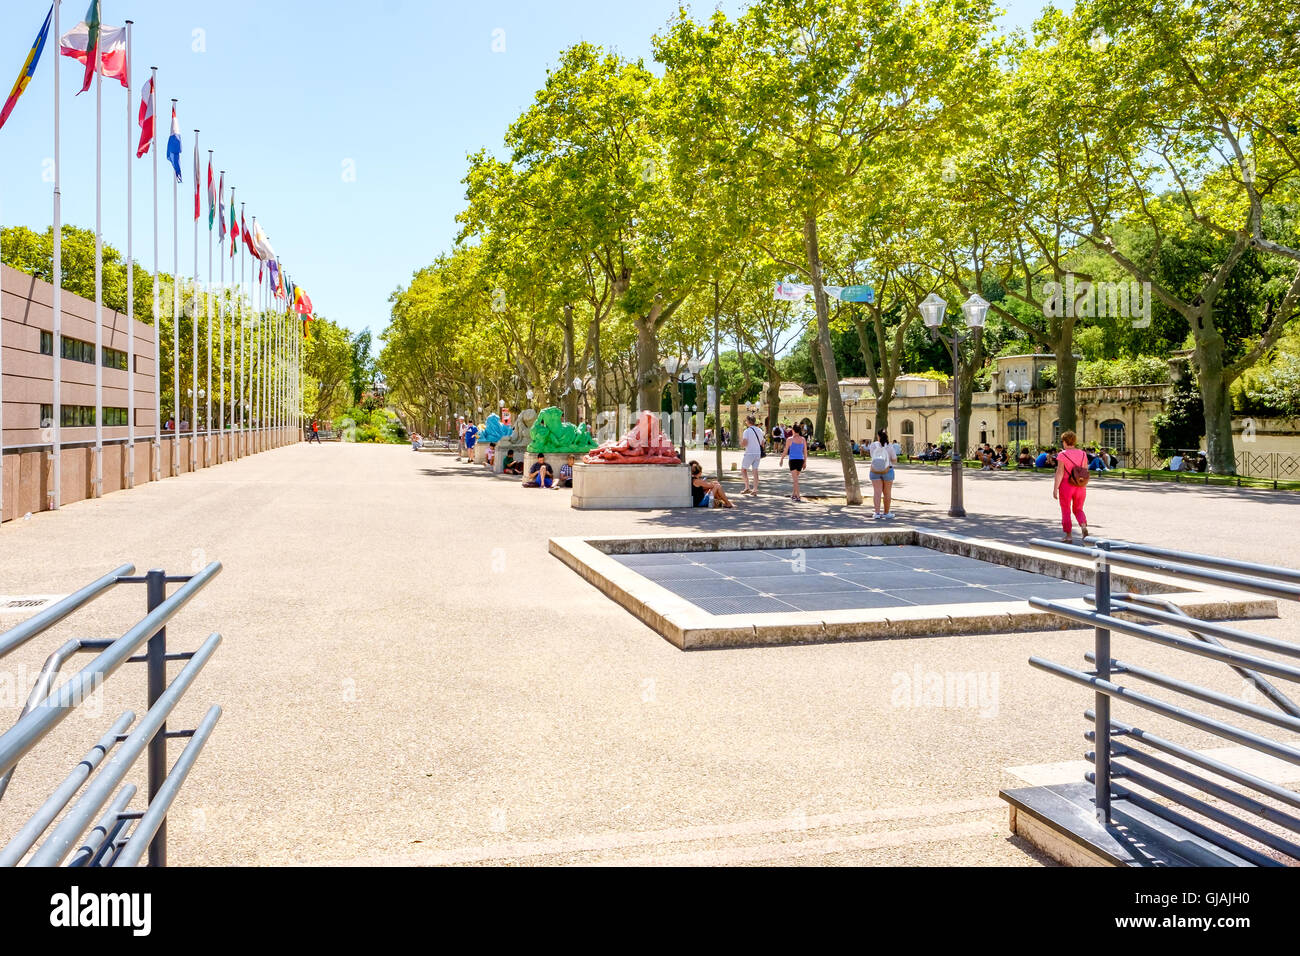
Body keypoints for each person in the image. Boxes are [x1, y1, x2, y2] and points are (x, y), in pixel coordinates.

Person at [1054, 430, 1090, 543]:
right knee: (1078, 509)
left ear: (1064, 442)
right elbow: (1085, 470)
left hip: (1066, 485)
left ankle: (1068, 535)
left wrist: (1055, 488)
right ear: (1074, 441)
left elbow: (1060, 472)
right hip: (1080, 485)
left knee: (1066, 510)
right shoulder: (1083, 454)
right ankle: (1083, 526)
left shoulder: (1062, 454)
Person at [866, 428, 898, 519]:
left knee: (877, 492)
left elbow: (872, 456)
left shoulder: (873, 445)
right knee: (887, 492)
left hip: (874, 470)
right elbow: (894, 459)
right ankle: (886, 513)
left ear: (878, 436)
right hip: (888, 470)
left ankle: (876, 513)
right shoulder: (889, 446)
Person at [778, 424, 808, 501]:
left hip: (793, 460)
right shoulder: (803, 439)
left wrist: (781, 459)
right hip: (800, 460)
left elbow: (785, 451)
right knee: (796, 479)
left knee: (795, 480)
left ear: (793, 430)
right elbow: (805, 451)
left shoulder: (789, 439)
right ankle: (793, 494)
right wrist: (805, 462)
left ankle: (798, 496)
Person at [740, 415, 765, 496]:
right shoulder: (760, 430)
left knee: (743, 470)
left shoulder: (746, 431)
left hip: (749, 453)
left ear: (748, 421)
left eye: (746, 421)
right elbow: (762, 443)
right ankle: (755, 489)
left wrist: (741, 444)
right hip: (757, 453)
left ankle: (747, 487)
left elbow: (744, 443)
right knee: (755, 471)